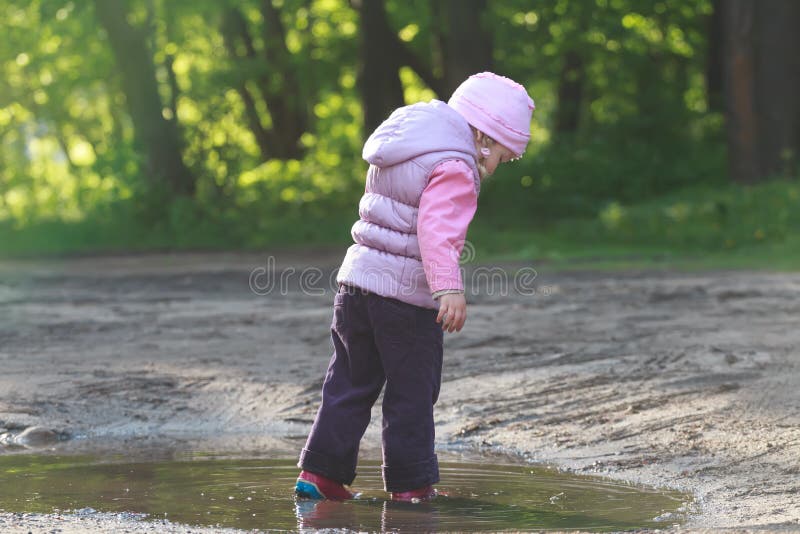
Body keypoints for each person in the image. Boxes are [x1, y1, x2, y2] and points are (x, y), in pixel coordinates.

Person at [295, 72, 535, 502]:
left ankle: (321, 475)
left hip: (356, 286)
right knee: (411, 392)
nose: (499, 164)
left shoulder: (408, 140)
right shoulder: (456, 166)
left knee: (349, 381)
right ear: (484, 135)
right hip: (405, 299)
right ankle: (412, 489)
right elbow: (435, 231)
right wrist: (448, 288)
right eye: (504, 154)